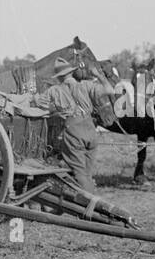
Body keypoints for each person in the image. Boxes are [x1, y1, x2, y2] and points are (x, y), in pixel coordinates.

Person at [30, 57, 107, 192]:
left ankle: (91, 204)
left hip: (74, 132)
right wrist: (99, 75)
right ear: (71, 73)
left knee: (80, 174)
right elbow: (110, 90)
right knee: (87, 173)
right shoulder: (86, 85)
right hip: (91, 131)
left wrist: (34, 97)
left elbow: (39, 103)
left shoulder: (54, 90)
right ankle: (90, 198)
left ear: (59, 77)